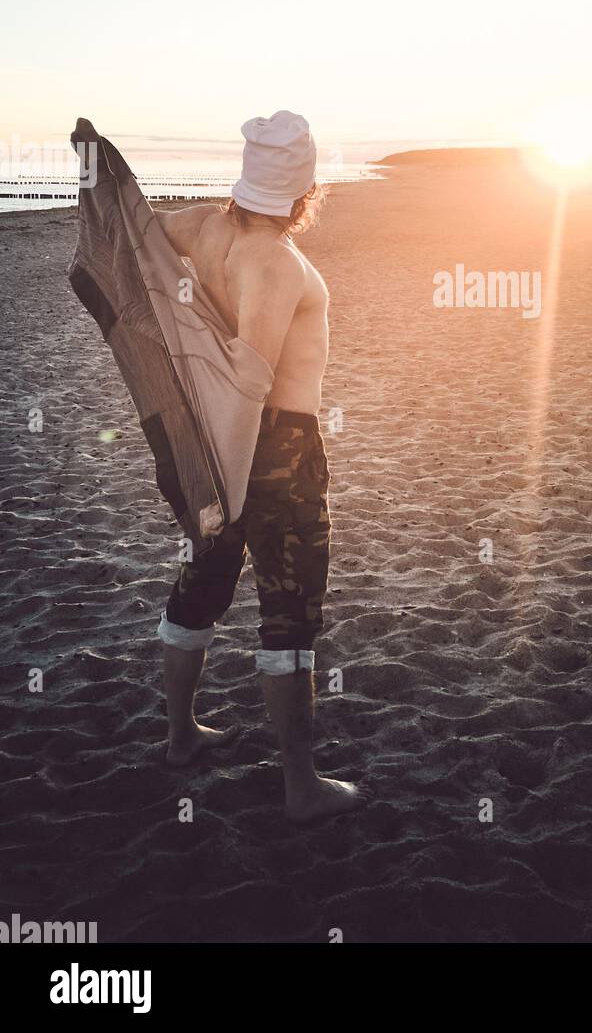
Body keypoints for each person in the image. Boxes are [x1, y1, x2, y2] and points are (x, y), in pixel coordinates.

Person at [155, 111, 361, 821]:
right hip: (276, 448)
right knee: (289, 608)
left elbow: (135, 236)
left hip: (212, 437)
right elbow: (251, 373)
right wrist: (233, 471)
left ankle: (181, 736)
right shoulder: (276, 263)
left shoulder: (202, 227)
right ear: (305, 192)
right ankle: (301, 788)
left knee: (202, 582)